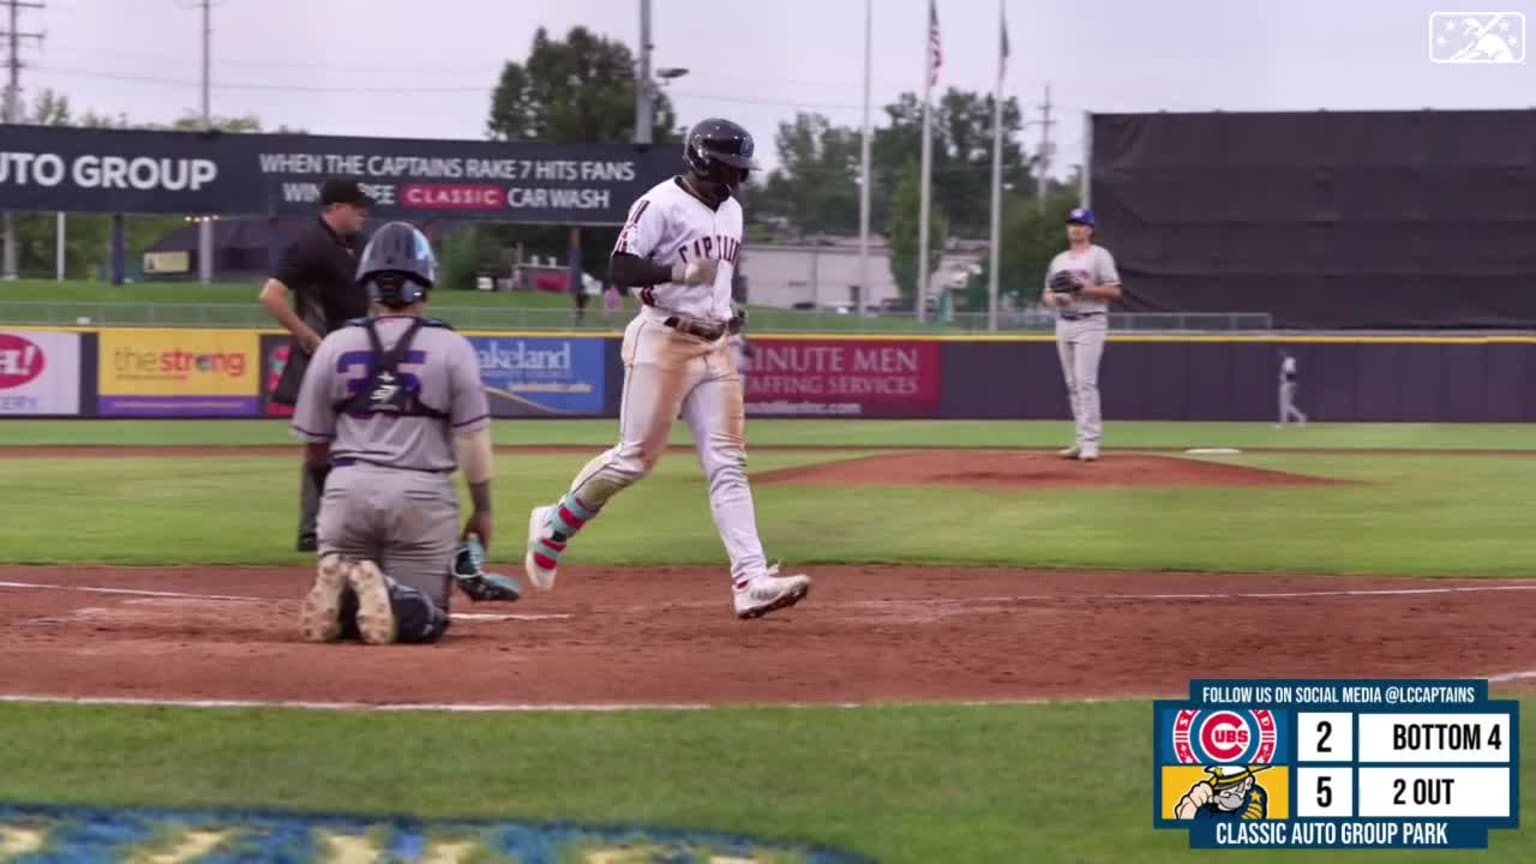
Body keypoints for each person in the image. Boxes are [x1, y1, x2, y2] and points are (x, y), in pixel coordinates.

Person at [521, 117, 811, 621]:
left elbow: (719, 276)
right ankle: (555, 524)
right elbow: (621, 267)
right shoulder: (660, 204)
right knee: (634, 459)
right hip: (662, 339)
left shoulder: (733, 212)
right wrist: (676, 272)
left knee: (728, 462)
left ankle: (751, 579)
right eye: (732, 168)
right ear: (706, 163)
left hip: (714, 345)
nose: (739, 179)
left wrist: (726, 309)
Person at [291, 221, 519, 646]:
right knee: (426, 619)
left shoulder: (335, 345)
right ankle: (393, 595)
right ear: (426, 282)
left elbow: (315, 445)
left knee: (356, 615)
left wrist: (332, 496)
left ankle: (342, 599)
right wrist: (483, 509)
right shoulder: (452, 349)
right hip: (421, 496)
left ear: (369, 286)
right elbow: (472, 442)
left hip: (347, 490)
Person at [260, 178, 374, 552]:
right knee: (320, 444)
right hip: (324, 359)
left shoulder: (354, 246)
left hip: (355, 355)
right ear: (335, 207)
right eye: (357, 205)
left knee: (357, 439)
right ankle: (313, 528)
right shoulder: (309, 244)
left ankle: (339, 523)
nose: (363, 212)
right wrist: (310, 339)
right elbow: (271, 296)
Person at [1042, 207, 1122, 462]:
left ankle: (1091, 442)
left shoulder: (1099, 256)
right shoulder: (1058, 260)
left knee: (1085, 382)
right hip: (1064, 321)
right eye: (1072, 223)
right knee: (1072, 384)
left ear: (1090, 229)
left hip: (1091, 321)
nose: (1075, 227)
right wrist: (1056, 298)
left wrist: (1082, 289)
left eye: (1080, 223)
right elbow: (1046, 294)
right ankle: (1080, 440)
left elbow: (1115, 292)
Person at [1277, 351, 1308, 427]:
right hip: (1291, 384)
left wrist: (1285, 379)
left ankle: (1300, 417)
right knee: (1287, 405)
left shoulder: (1288, 361)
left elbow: (1289, 373)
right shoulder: (1290, 361)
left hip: (1287, 384)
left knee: (1285, 405)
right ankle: (1288, 421)